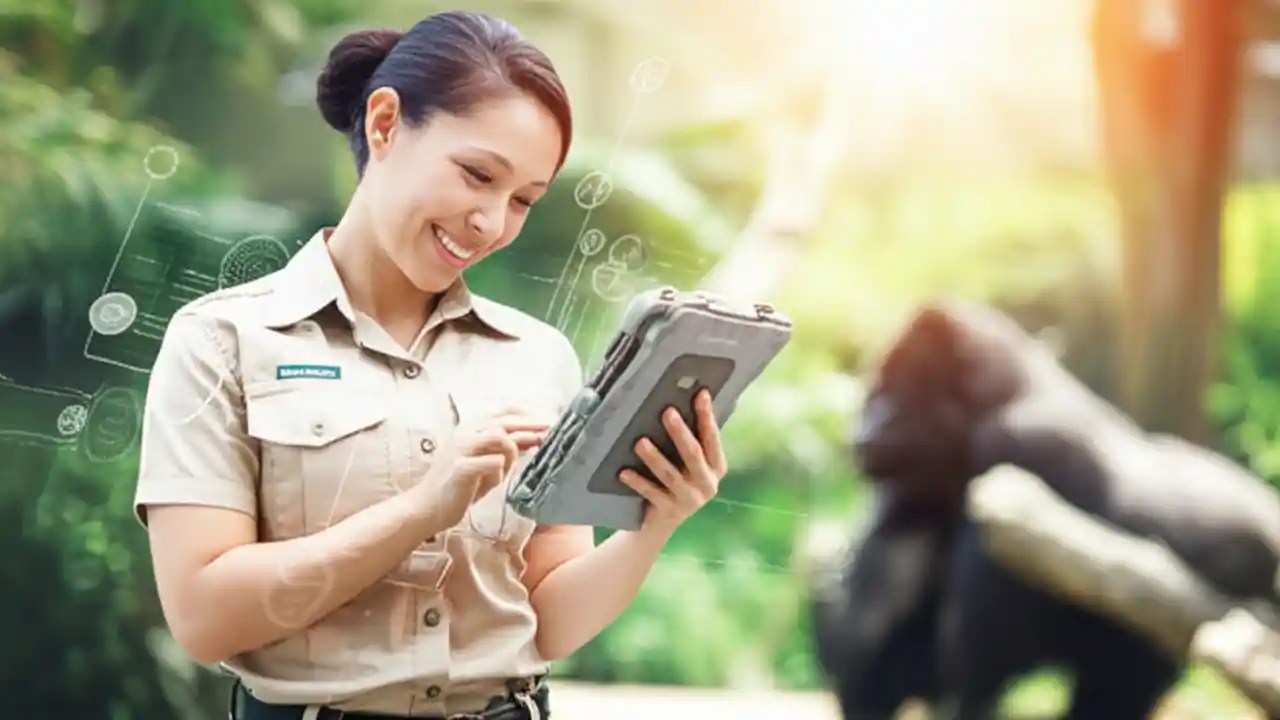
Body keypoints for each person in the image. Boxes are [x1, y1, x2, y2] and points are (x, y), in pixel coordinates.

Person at [133, 11, 729, 720]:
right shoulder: (222, 342)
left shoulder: (538, 358)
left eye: (522, 201)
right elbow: (204, 617)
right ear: (385, 124)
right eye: (478, 174)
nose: (492, 222)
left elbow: (547, 619)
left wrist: (654, 524)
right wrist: (421, 510)